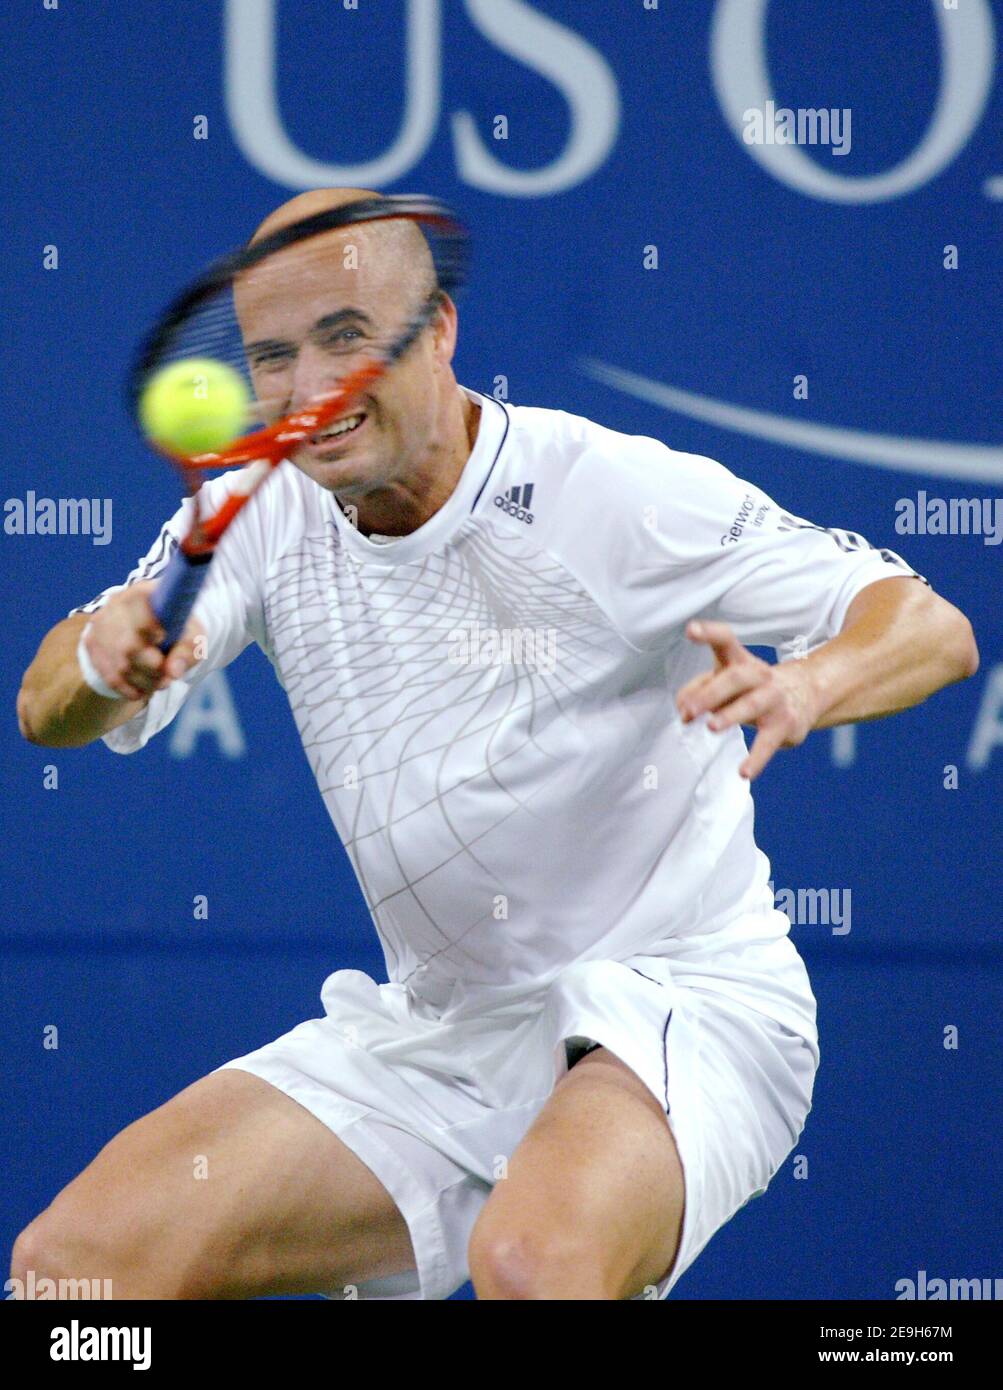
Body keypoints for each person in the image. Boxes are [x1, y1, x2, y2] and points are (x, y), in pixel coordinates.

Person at [13, 187, 979, 1301]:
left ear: (437, 331)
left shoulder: (607, 492)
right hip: (437, 1041)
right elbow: (46, 704)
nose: (310, 389)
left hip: (684, 1001)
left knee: (533, 1265)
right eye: (274, 355)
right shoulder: (252, 513)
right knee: (72, 1279)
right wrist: (101, 657)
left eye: (344, 337)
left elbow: (927, 625)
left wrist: (809, 680)